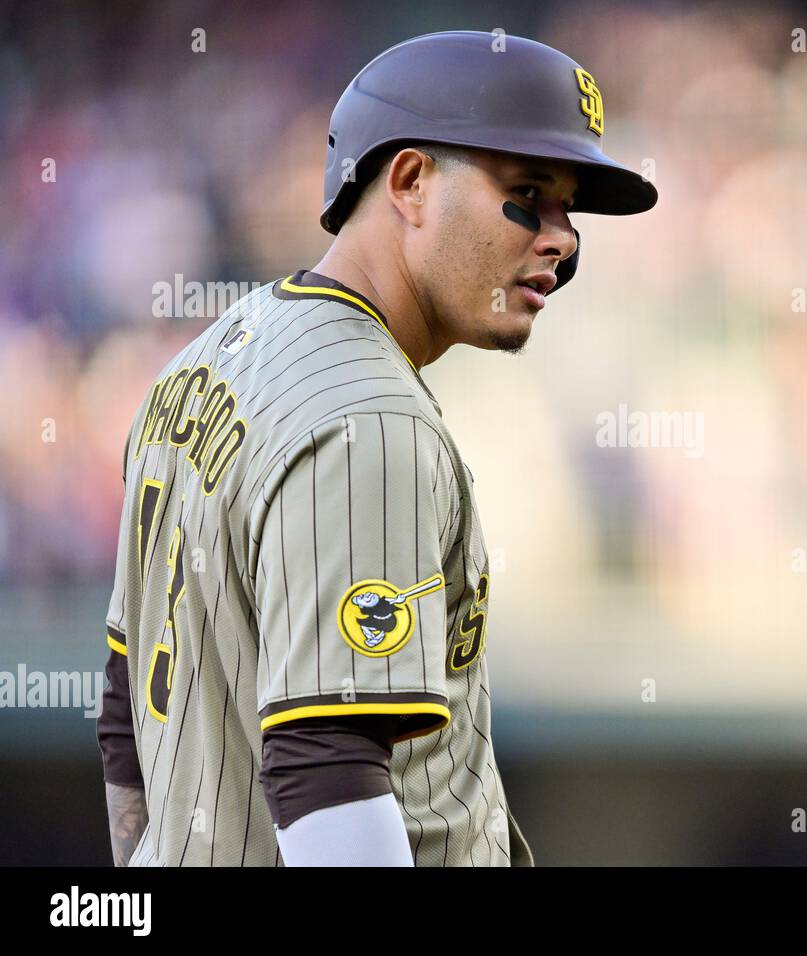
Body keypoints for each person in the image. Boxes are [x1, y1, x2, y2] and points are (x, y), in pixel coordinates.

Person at [95, 30, 657, 866]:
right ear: (410, 182)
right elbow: (327, 772)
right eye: (529, 193)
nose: (562, 238)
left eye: (567, 210)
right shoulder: (369, 415)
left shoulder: (205, 359)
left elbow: (121, 718)